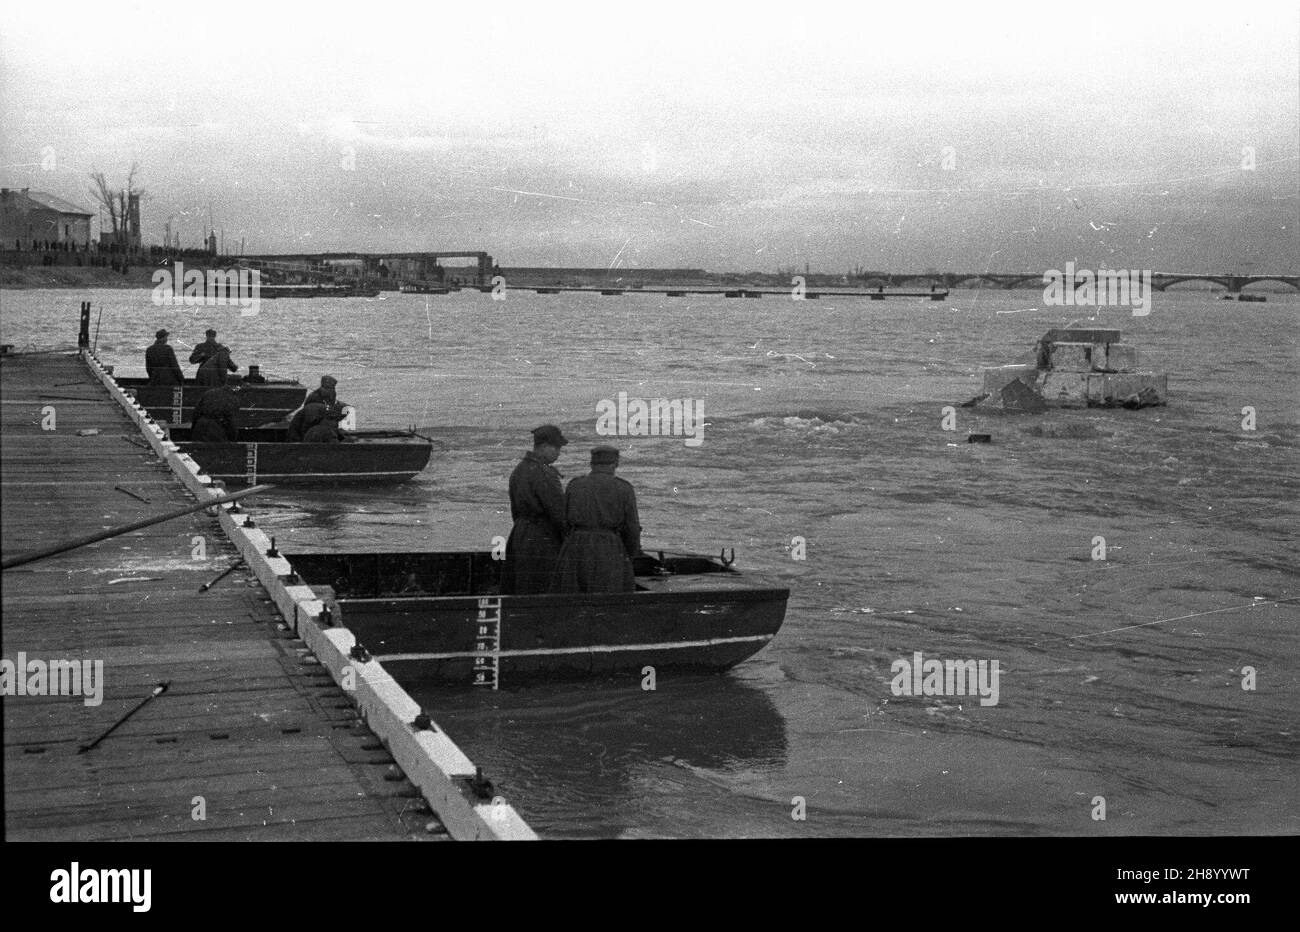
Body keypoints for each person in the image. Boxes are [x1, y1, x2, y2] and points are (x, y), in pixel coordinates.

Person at [552, 445, 640, 594]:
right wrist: (626, 556)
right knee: (608, 596)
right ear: (615, 464)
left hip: (576, 547)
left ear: (592, 464)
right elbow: (632, 530)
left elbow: (563, 521)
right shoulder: (624, 488)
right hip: (609, 549)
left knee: (571, 595)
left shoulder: (575, 485)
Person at [500, 425, 569, 595]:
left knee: (522, 585)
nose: (559, 453)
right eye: (557, 448)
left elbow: (515, 510)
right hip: (542, 538)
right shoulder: (543, 473)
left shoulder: (519, 469)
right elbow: (559, 512)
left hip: (519, 534)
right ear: (544, 446)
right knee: (543, 585)